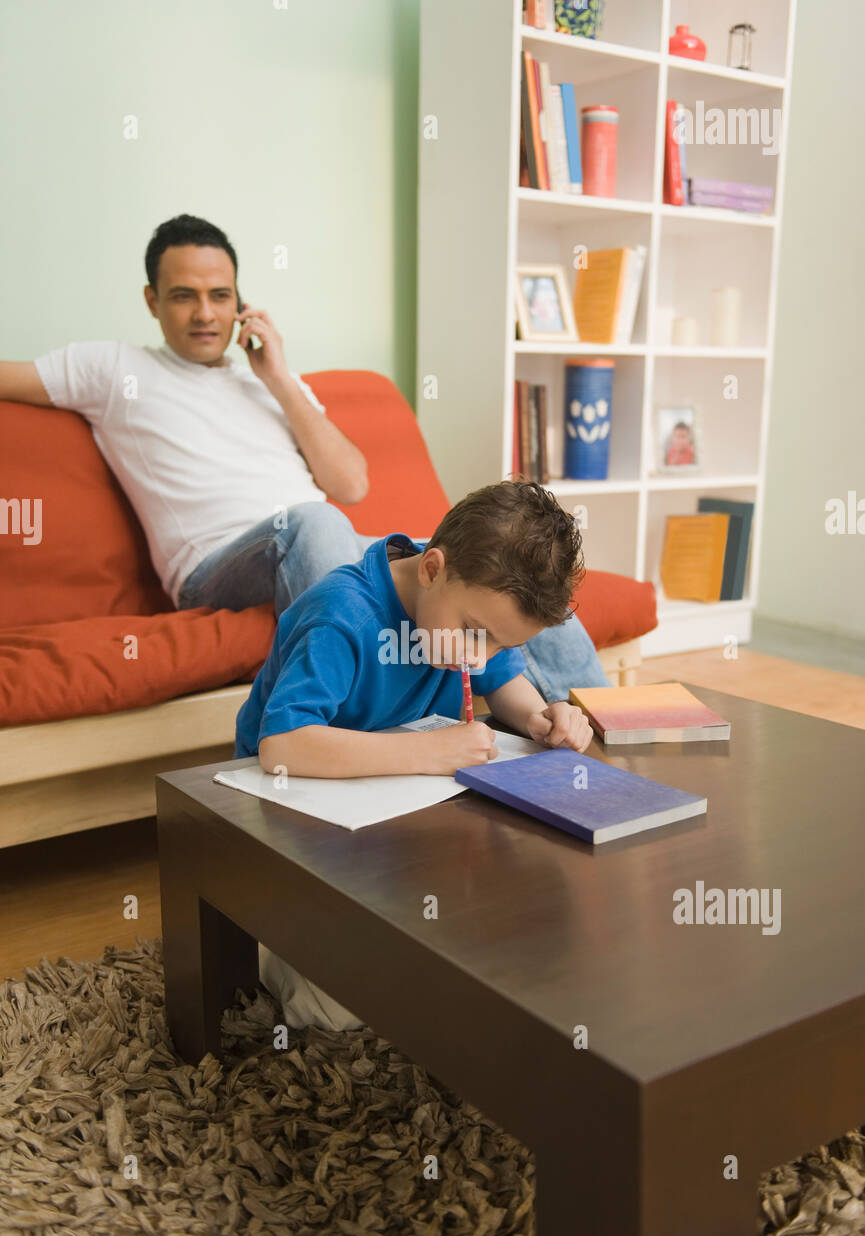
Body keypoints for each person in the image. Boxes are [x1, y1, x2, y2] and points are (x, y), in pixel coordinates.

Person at [0, 212, 611, 705]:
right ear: (151, 299)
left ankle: (593, 725)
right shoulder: (114, 370)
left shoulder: (268, 383)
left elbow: (349, 483)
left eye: (220, 295)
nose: (205, 313)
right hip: (216, 567)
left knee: (493, 562)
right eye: (184, 296)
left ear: (240, 301)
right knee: (310, 520)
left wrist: (279, 378)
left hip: (319, 534)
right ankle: (354, 716)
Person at [247, 479, 595, 1032]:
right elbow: (282, 747)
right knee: (340, 1009)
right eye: (476, 633)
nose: (479, 656)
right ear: (431, 568)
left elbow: (500, 678)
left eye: (500, 643)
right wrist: (429, 751)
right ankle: (278, 953)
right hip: (295, 818)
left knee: (491, 939)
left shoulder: (457, 605)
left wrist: (536, 716)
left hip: (394, 819)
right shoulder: (343, 615)